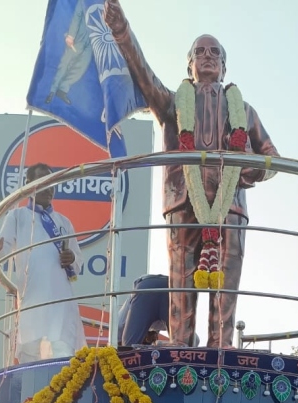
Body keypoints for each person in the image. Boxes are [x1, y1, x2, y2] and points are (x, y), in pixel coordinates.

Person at [104, 0, 279, 348]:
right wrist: (121, 31)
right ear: (190, 64)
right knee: (181, 287)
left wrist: (246, 168)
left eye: (215, 52)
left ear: (225, 67)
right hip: (183, 204)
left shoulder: (243, 110)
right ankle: (181, 350)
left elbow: (271, 158)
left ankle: (221, 352)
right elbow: (144, 75)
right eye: (200, 51)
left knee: (225, 292)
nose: (208, 56)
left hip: (230, 210)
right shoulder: (172, 104)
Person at [0, 163, 86, 364]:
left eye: (52, 183)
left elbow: (77, 263)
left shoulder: (64, 222)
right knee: (31, 358)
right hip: (33, 303)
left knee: (63, 359)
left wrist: (72, 258)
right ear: (30, 185)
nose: (50, 188)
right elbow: (2, 250)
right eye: (44, 182)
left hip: (60, 303)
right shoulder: (17, 216)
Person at [45, 0, 92, 106]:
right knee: (65, 64)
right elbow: (77, 15)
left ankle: (62, 89)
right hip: (78, 36)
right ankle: (52, 91)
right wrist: (71, 35)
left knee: (82, 66)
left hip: (91, 40)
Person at [119, 273, 169, 346]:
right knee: (183, 345)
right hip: (169, 286)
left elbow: (120, 324)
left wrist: (119, 345)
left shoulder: (142, 320)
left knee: (129, 346)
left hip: (146, 287)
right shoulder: (157, 326)